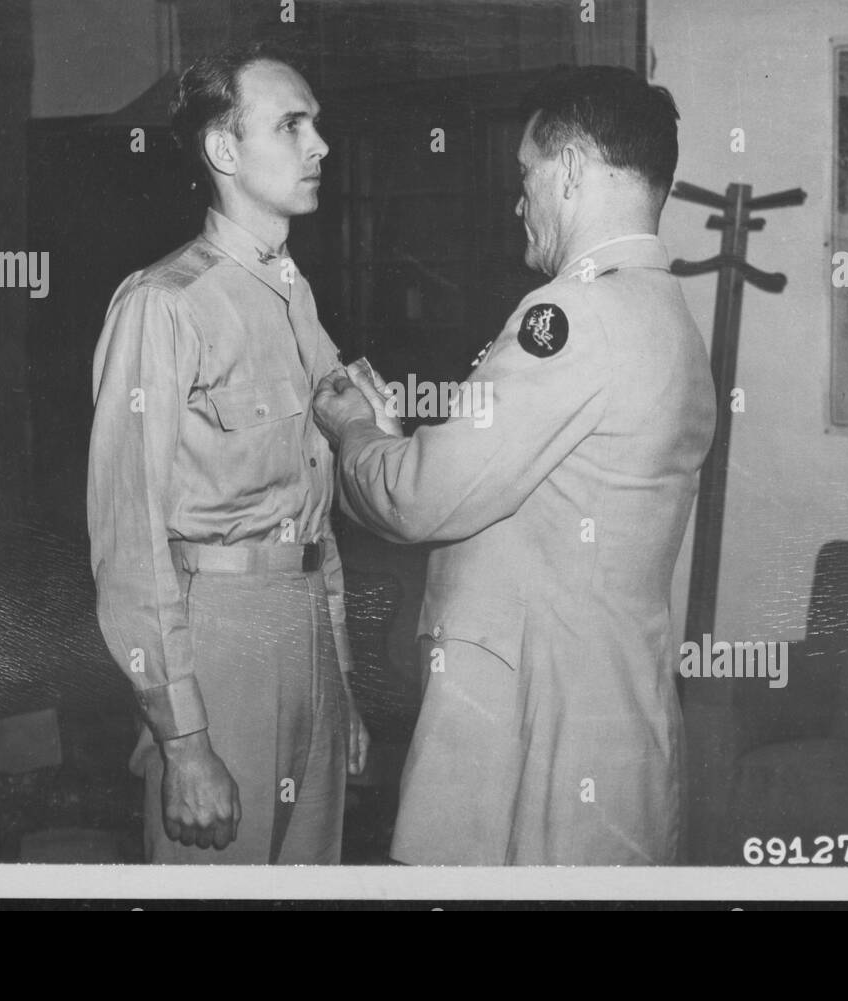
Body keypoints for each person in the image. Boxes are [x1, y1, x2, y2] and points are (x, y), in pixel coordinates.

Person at [313, 66, 716, 865]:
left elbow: (421, 501)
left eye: (526, 174)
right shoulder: (662, 310)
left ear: (568, 171)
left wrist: (354, 430)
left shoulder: (570, 313)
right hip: (608, 705)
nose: (518, 200)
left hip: (537, 716)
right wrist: (412, 437)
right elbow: (524, 477)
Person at [88, 48, 368, 864]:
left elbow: (313, 514)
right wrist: (183, 742)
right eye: (292, 124)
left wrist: (340, 676)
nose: (320, 145)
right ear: (223, 151)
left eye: (315, 124)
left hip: (305, 626)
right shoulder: (164, 304)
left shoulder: (294, 295)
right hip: (217, 642)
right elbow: (129, 538)